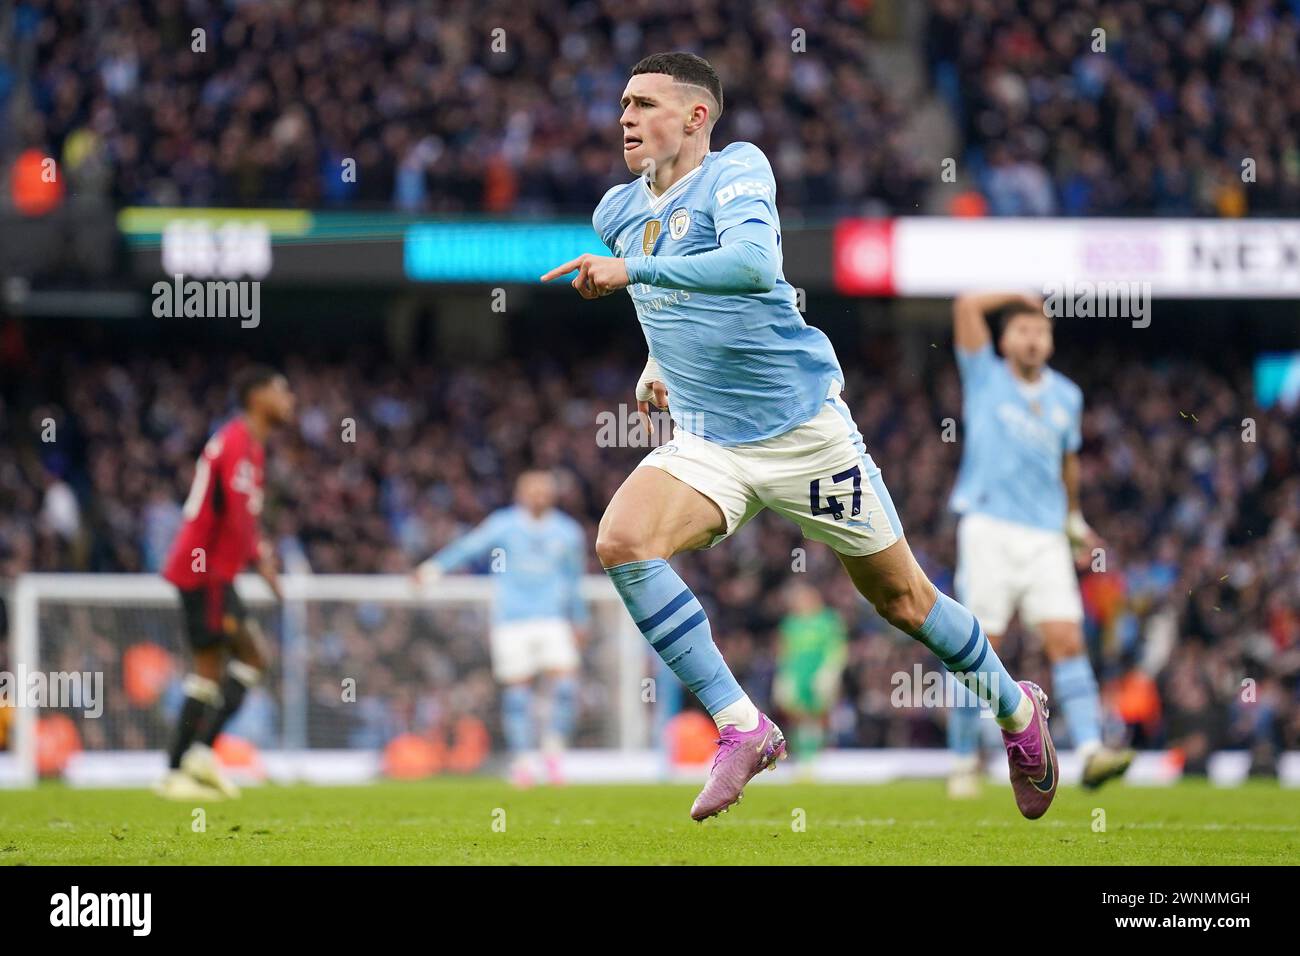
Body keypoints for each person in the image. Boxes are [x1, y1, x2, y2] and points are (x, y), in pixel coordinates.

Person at [541, 52, 1059, 821]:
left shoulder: (738, 171)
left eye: (645, 103)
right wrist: (655, 361)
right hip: (711, 439)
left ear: (696, 117)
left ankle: (1016, 715)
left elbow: (752, 266)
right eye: (622, 103)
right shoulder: (616, 212)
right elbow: (669, 296)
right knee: (621, 541)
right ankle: (742, 726)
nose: (625, 116)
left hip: (803, 433)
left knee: (906, 601)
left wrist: (634, 273)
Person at [945, 292, 1134, 797]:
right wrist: (1020, 296)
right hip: (988, 527)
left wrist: (1073, 518)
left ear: (1050, 342)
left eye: (1040, 331)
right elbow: (966, 305)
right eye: (1022, 330)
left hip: (1046, 534)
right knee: (981, 647)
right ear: (1005, 340)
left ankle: (1092, 751)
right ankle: (965, 758)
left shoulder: (1067, 396)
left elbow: (1067, 463)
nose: (1032, 339)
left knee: (1067, 639)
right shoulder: (984, 376)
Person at [156, 365, 293, 800]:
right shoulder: (236, 441)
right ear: (257, 397)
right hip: (206, 571)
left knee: (244, 661)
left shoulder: (251, 446)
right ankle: (180, 767)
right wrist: (262, 562)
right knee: (219, 666)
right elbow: (235, 516)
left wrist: (259, 558)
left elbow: (242, 516)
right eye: (281, 391)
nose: (289, 401)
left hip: (216, 572)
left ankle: (196, 757)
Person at [415, 470, 588, 787]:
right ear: (520, 493)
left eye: (543, 490)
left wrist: (580, 619)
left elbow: (574, 580)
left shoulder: (568, 532)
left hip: (552, 619)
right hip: (512, 620)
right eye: (531, 489)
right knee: (518, 695)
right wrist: (433, 569)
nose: (537, 495)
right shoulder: (503, 525)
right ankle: (523, 762)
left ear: (552, 494)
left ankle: (553, 754)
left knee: (565, 688)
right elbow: (468, 547)